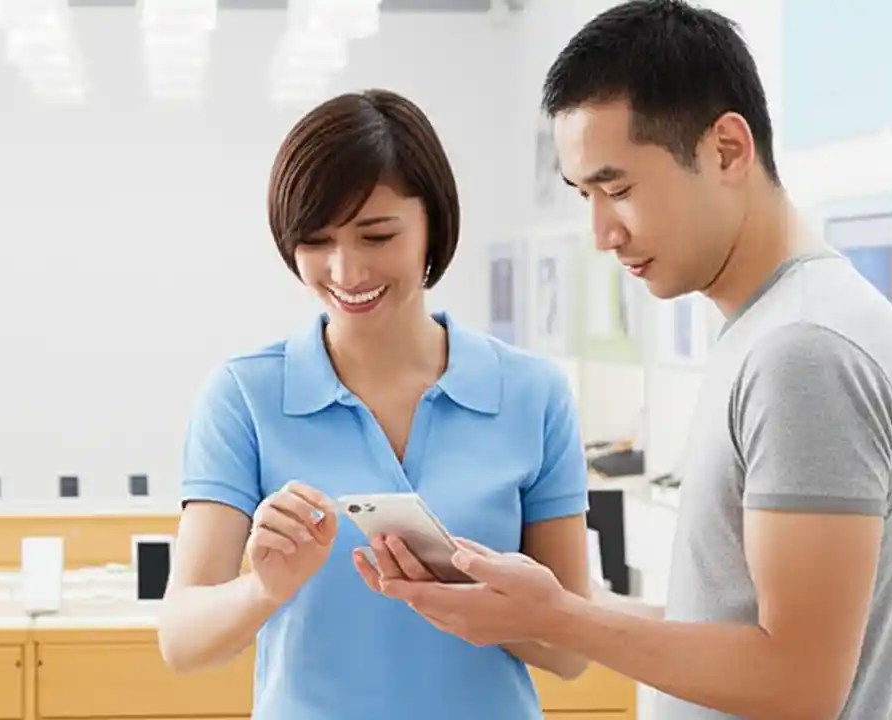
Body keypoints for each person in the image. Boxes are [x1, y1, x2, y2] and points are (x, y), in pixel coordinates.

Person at [376, 2, 892, 720]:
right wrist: (555, 607)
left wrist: (561, 618)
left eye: (619, 189)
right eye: (585, 196)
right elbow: (737, 625)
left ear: (727, 150)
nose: (602, 233)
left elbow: (797, 680)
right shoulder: (776, 327)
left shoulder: (804, 351)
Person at [155, 88, 593, 720]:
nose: (345, 270)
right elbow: (182, 640)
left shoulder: (533, 394)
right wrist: (263, 589)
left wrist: (468, 600)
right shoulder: (244, 396)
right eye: (315, 241)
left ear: (432, 227)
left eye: (377, 235)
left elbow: (572, 651)